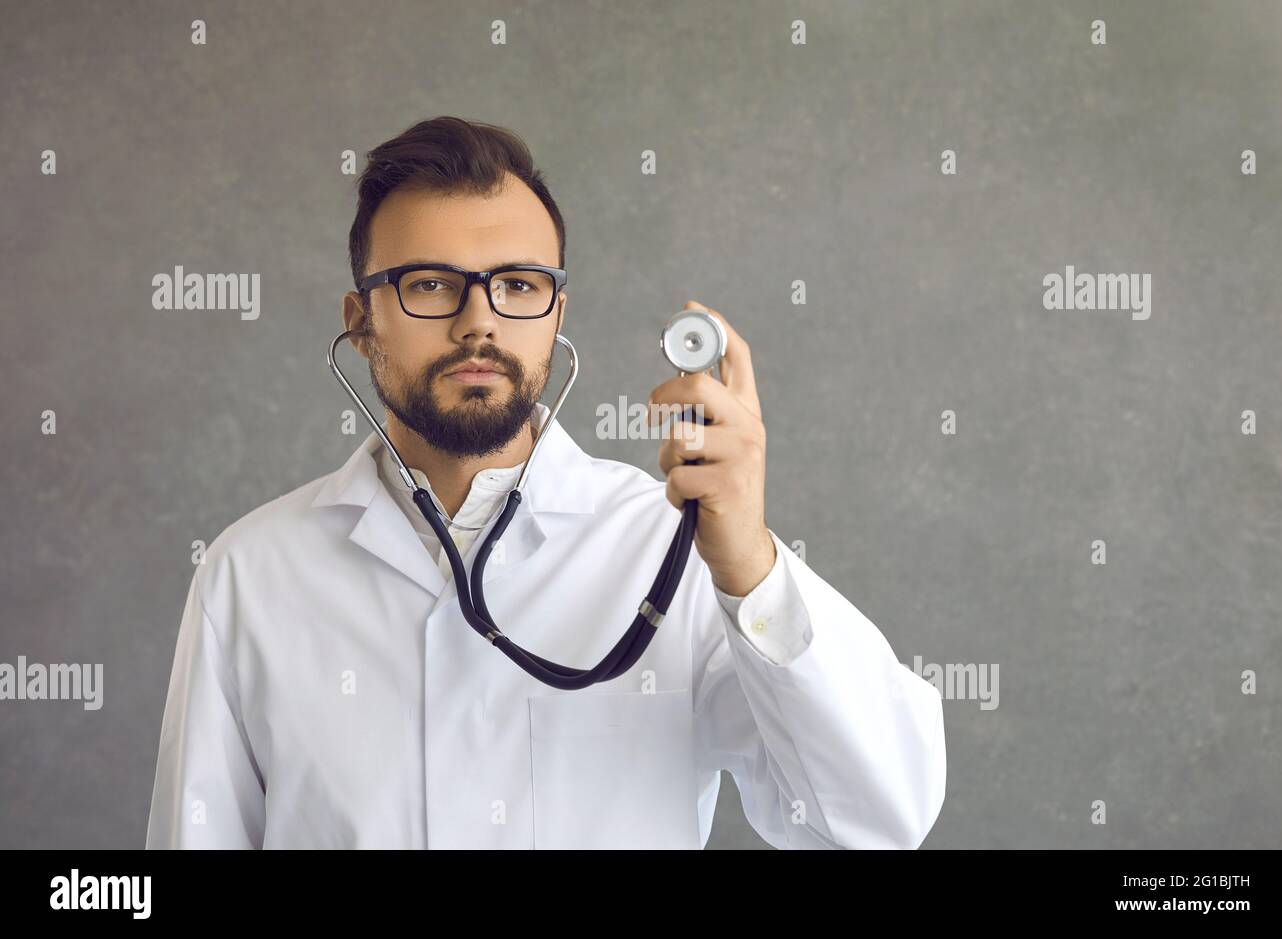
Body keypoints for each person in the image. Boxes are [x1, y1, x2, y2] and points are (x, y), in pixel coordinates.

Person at [145, 116, 946, 849]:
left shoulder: (674, 551)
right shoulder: (250, 575)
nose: (479, 321)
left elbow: (873, 821)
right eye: (429, 284)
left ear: (556, 313)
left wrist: (749, 564)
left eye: (519, 284)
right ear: (360, 323)